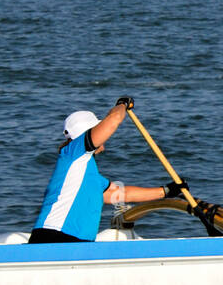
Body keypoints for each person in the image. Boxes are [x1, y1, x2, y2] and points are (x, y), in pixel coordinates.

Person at [30, 97, 185, 244]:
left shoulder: (85, 170)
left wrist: (166, 191)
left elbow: (120, 194)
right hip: (55, 237)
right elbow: (113, 120)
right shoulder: (73, 151)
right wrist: (122, 104)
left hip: (75, 241)